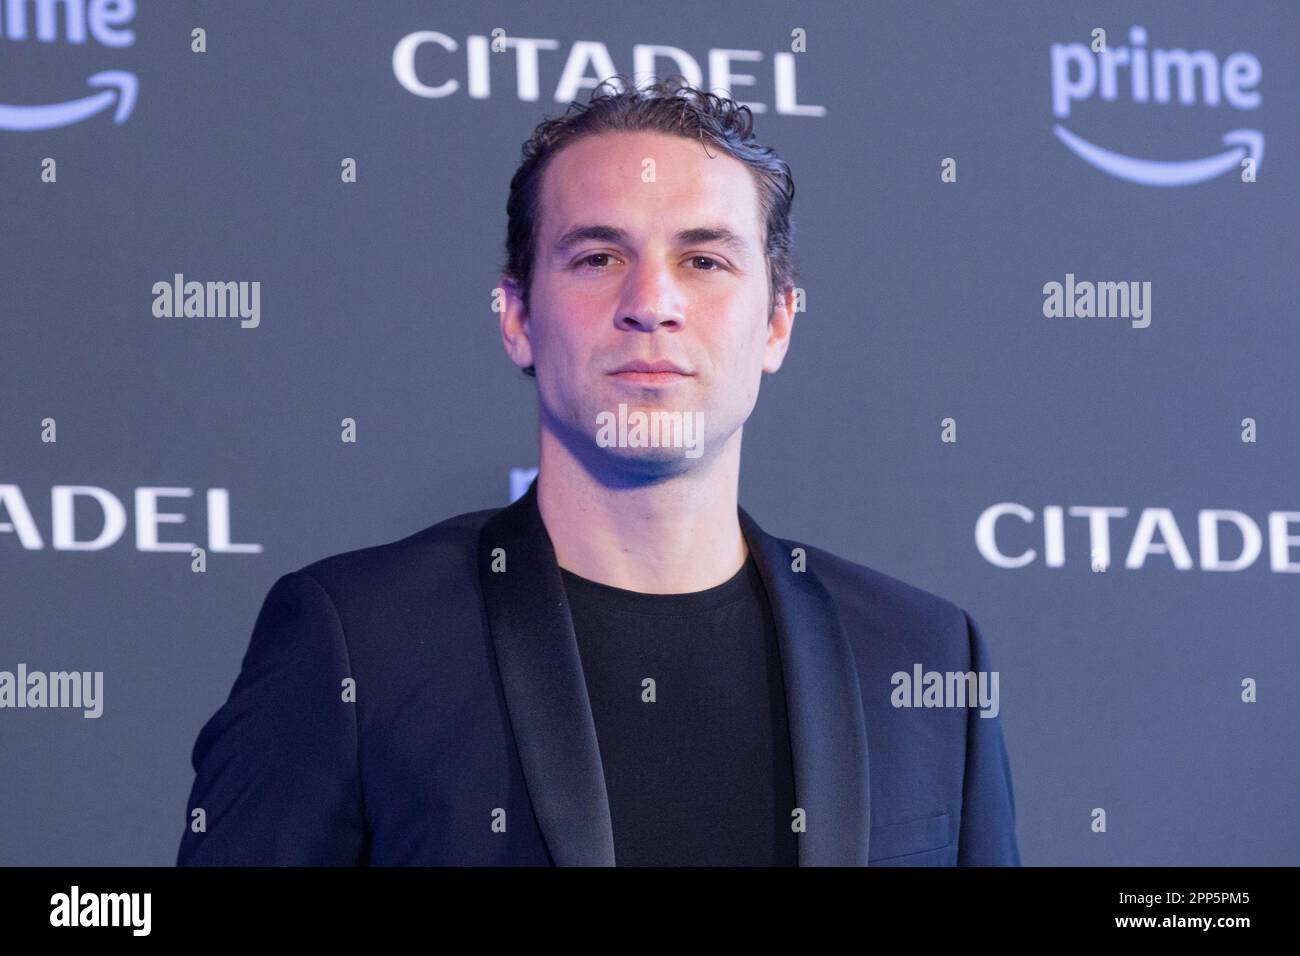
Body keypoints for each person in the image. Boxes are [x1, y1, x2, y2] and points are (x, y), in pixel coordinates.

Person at [177, 74, 1020, 866]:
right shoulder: (354, 643)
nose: (652, 302)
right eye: (598, 258)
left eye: (705, 260)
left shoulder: (926, 653)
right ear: (516, 318)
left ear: (778, 323)